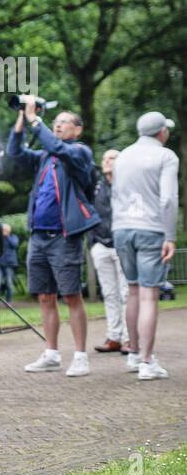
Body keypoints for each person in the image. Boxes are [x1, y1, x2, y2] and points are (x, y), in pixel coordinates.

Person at [6, 99, 100, 376]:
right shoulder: (46, 156)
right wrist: (22, 119)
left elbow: (58, 146)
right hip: (39, 236)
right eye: (55, 121)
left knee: (71, 295)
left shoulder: (80, 152)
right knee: (46, 297)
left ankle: (81, 356)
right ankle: (52, 353)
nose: (57, 124)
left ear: (78, 130)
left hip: (64, 236)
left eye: (64, 121)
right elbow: (15, 153)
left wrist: (36, 120)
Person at [112, 111, 179, 380]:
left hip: (121, 228)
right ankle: (147, 362)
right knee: (150, 295)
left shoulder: (123, 156)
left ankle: (133, 354)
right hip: (150, 228)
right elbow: (168, 199)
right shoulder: (166, 156)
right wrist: (170, 236)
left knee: (133, 291)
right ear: (161, 132)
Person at [90, 149, 130, 354]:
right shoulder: (96, 186)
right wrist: (92, 242)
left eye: (111, 158)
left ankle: (129, 338)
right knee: (109, 293)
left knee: (127, 293)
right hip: (100, 245)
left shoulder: (128, 184)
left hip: (122, 245)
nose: (106, 161)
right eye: (104, 158)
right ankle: (114, 336)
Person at [0, 222, 20, 302]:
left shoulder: (14, 237)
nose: (4, 231)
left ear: (9, 230)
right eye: (3, 230)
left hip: (9, 264)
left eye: (5, 230)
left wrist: (7, 237)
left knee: (9, 283)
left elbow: (14, 245)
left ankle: (8, 300)